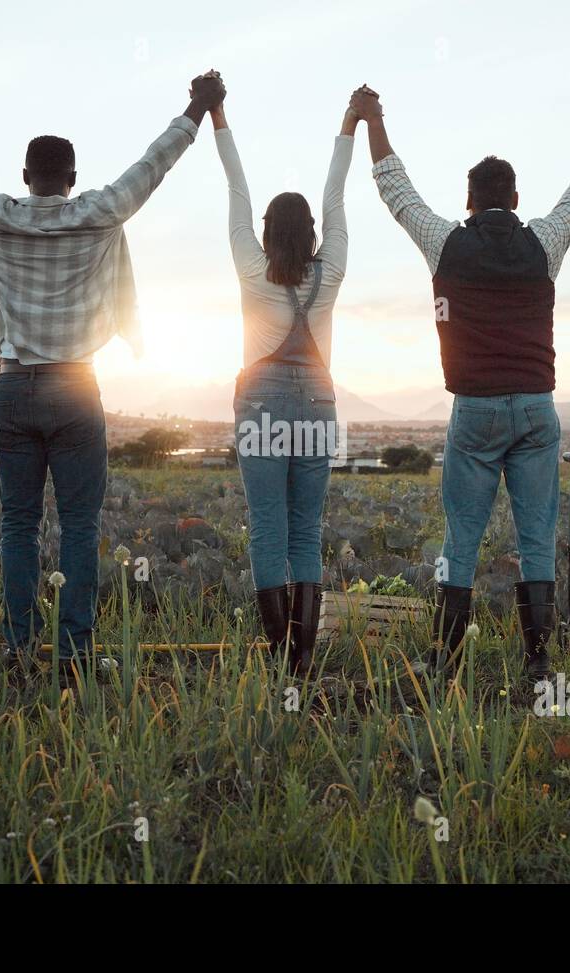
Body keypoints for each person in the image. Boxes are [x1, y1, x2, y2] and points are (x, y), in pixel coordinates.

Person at [0, 72, 227, 681]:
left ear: (26, 177)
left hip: (15, 390)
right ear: (72, 178)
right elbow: (156, 161)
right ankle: (77, 654)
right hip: (77, 390)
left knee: (19, 525)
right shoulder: (100, 211)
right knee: (80, 526)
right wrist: (200, 104)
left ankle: (18, 650)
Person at [350, 80, 570, 680]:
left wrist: (372, 118)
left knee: (461, 543)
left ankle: (445, 662)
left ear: (469, 201)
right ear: (517, 198)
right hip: (536, 409)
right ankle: (537, 664)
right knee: (536, 539)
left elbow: (394, 190)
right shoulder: (544, 244)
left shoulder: (444, 243)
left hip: (474, 412)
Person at [208, 82, 363, 673]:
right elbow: (336, 196)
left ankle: (277, 658)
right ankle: (303, 657)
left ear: (268, 231)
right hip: (318, 406)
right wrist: (349, 124)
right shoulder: (334, 269)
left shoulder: (252, 269)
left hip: (262, 408)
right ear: (314, 235)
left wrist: (219, 117)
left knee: (267, 528)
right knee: (306, 529)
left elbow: (236, 190)